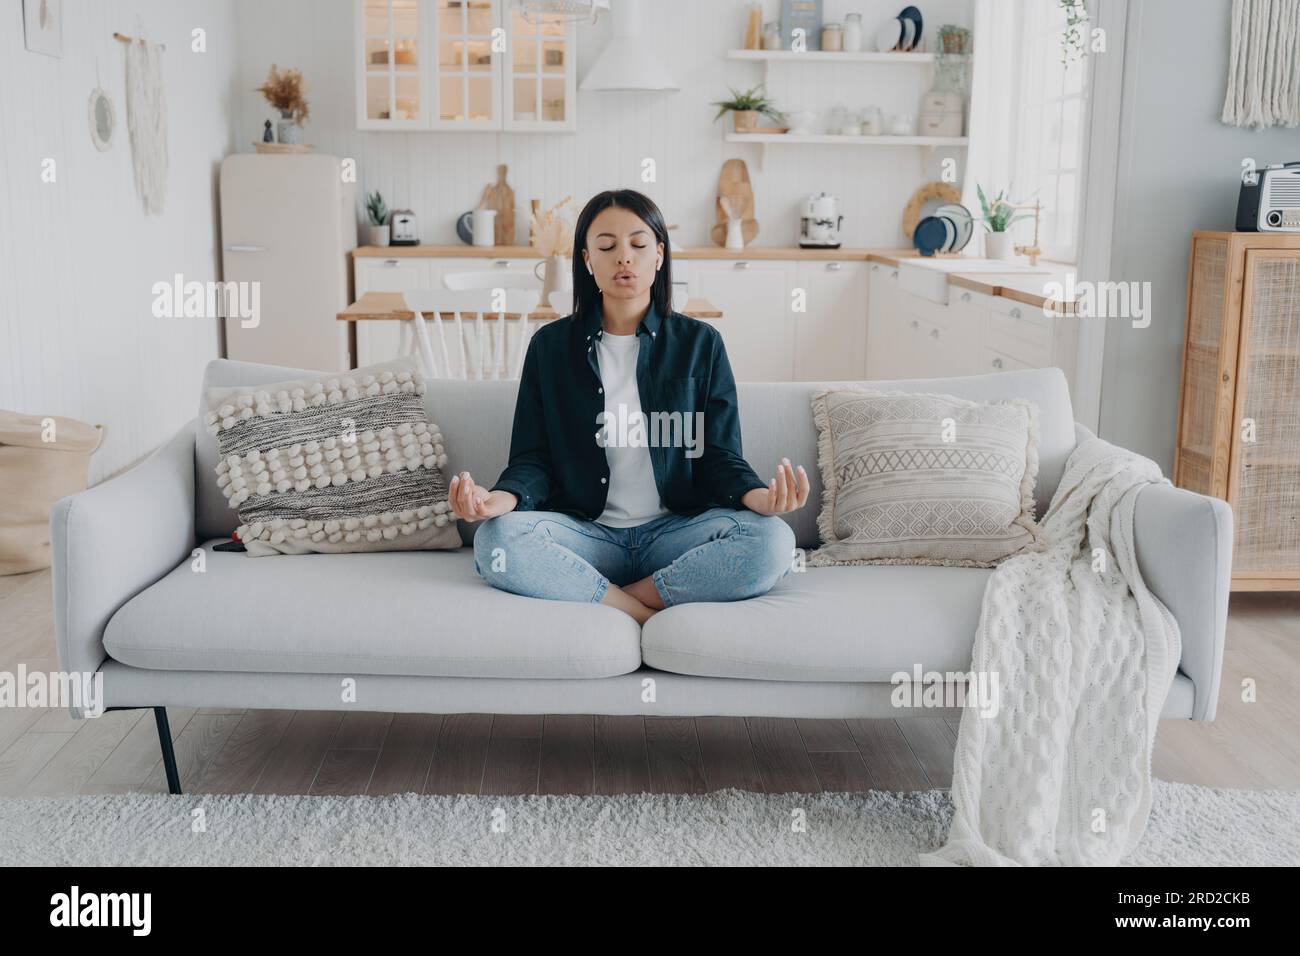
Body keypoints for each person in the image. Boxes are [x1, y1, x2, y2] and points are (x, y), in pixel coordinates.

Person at [449, 188, 810, 625]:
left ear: (659, 256)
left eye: (639, 245)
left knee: (773, 540)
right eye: (607, 246)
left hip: (675, 534)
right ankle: (635, 610)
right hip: (585, 534)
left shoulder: (701, 344)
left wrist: (761, 498)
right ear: (587, 259)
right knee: (497, 541)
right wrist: (497, 500)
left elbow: (716, 455)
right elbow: (533, 459)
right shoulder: (550, 347)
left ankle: (614, 597)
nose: (624, 258)